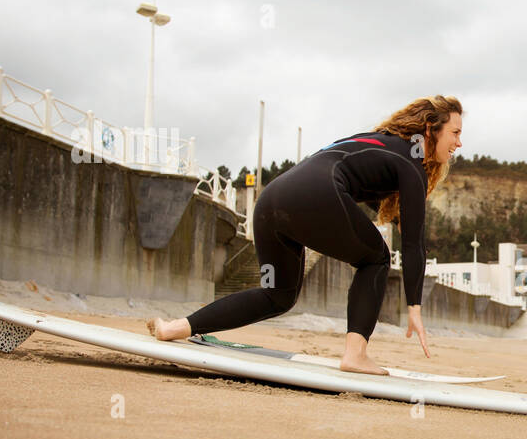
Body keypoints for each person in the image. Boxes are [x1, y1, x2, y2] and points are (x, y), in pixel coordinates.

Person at [148, 95, 463, 375]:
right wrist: (415, 308)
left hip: (272, 200)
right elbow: (412, 242)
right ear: (430, 129)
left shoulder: (377, 143)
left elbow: (375, 199)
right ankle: (355, 355)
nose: (459, 143)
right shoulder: (410, 162)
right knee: (377, 258)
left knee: (277, 295)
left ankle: (175, 327)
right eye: (455, 133)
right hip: (317, 195)